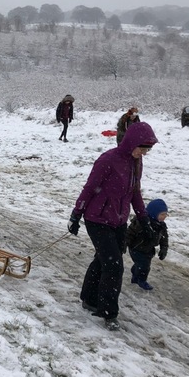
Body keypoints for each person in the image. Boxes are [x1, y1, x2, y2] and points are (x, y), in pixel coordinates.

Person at [67, 121, 159, 332]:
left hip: (118, 220)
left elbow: (135, 193)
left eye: (147, 150)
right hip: (97, 219)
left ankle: (88, 298)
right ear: (132, 142)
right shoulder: (108, 160)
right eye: (142, 148)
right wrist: (76, 215)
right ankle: (108, 312)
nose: (143, 153)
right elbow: (90, 188)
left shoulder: (136, 163)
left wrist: (144, 220)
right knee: (114, 265)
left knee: (103, 259)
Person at [127, 199, 169, 291]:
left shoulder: (161, 225)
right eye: (162, 214)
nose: (164, 217)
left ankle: (135, 272)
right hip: (136, 248)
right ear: (154, 213)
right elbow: (130, 233)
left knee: (142, 264)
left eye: (166, 214)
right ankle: (141, 280)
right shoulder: (141, 223)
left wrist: (164, 249)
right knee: (144, 266)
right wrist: (125, 243)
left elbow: (164, 238)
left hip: (148, 249)